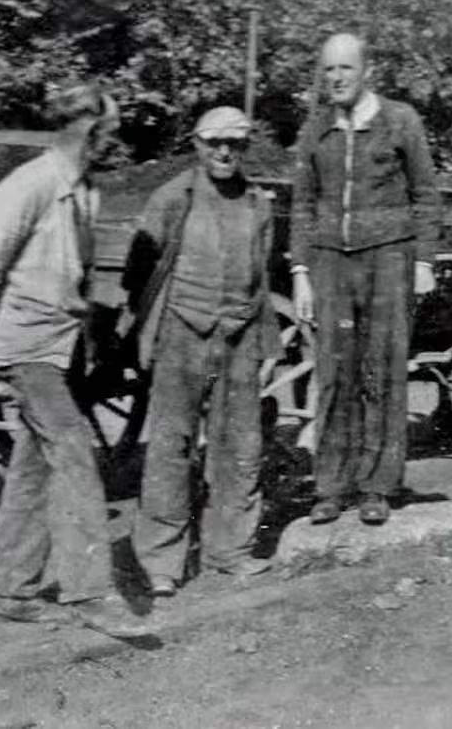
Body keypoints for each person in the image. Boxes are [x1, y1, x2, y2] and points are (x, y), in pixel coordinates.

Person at [0, 83, 154, 639]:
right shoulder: (29, 187)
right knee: (74, 456)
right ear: (88, 131)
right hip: (27, 345)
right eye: (109, 133)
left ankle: (10, 588)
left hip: (60, 346)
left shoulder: (83, 192)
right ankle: (91, 592)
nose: (114, 145)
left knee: (34, 465)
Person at [122, 106, 280, 598]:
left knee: (240, 448)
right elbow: (138, 272)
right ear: (197, 145)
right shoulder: (173, 198)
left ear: (245, 147)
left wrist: (265, 343)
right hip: (182, 336)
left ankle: (229, 551)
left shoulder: (258, 204)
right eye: (215, 143)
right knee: (171, 446)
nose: (224, 152)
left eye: (234, 143)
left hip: (239, 338)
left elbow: (262, 277)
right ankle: (162, 562)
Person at [290, 33, 441, 526]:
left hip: (388, 260)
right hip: (331, 263)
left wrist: (422, 262)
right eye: (328, 70)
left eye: (345, 69)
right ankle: (331, 487)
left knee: (381, 372)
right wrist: (300, 272)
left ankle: (377, 486)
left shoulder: (400, 121)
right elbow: (303, 206)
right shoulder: (316, 128)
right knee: (335, 376)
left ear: (366, 72)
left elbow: (424, 193)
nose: (335, 78)